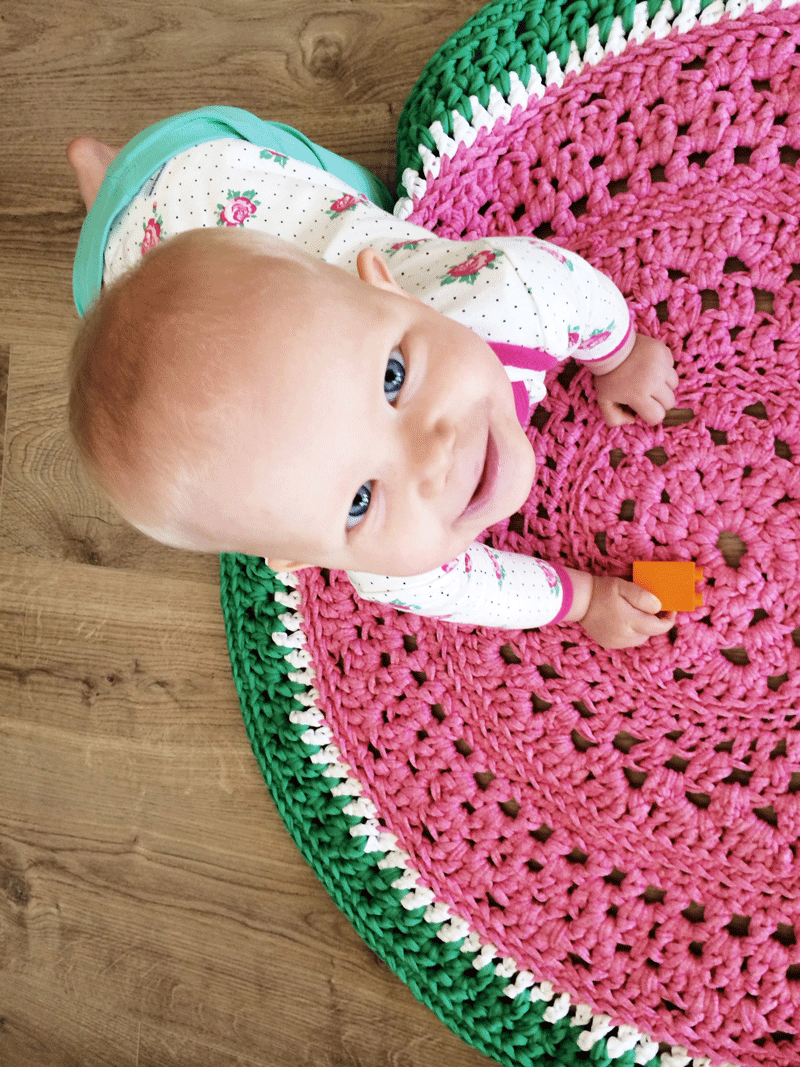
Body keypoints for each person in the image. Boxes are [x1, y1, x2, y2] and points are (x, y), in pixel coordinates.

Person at [67, 107, 679, 649]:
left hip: (211, 171)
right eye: (360, 500)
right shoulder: (391, 566)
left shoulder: (505, 296)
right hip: (108, 267)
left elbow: (570, 290)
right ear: (303, 558)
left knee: (361, 189)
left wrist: (621, 355)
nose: (432, 456)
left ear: (384, 283)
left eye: (393, 377)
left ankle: (104, 172)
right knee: (112, 279)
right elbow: (485, 590)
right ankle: (99, 180)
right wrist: (584, 600)